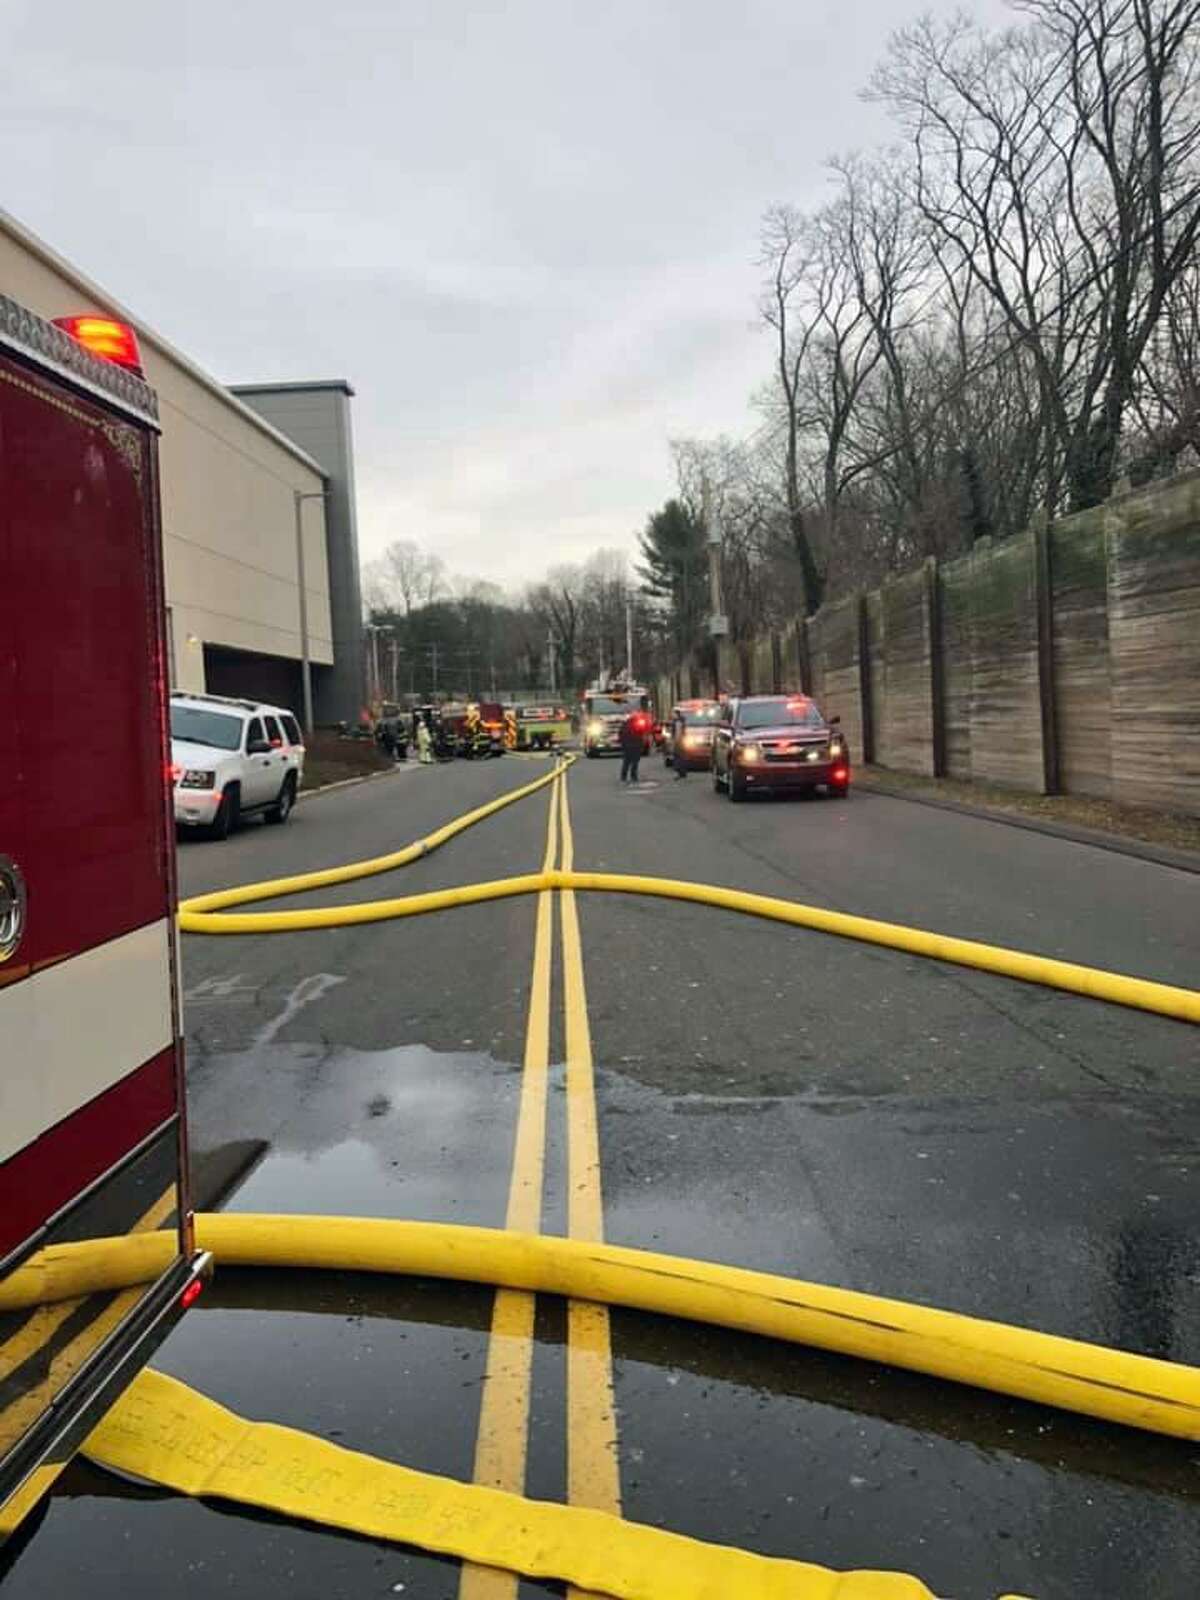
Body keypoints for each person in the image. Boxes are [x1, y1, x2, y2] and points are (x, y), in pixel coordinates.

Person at [618, 712, 644, 786]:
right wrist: (640, 745)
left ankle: (624, 777)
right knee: (634, 762)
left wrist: (623, 745)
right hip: (635, 746)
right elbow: (640, 736)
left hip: (628, 747)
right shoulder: (637, 725)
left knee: (627, 762)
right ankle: (633, 776)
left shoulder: (625, 725)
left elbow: (621, 736)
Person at [672, 708, 688, 779]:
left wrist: (676, 741)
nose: (672, 715)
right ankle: (683, 772)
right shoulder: (679, 721)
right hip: (681, 741)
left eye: (673, 714)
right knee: (681, 757)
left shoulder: (678, 722)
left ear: (677, 714)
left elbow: (678, 733)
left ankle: (679, 772)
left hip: (679, 742)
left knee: (678, 757)